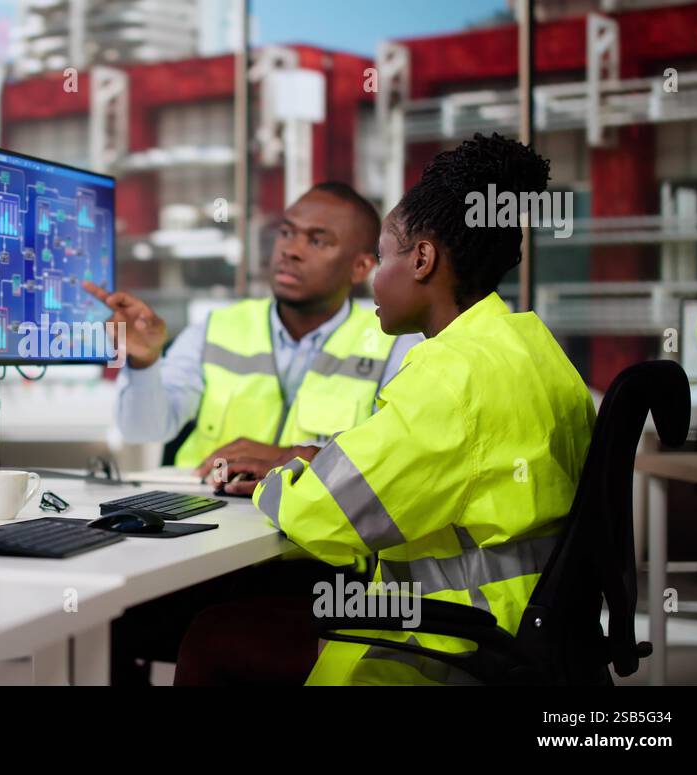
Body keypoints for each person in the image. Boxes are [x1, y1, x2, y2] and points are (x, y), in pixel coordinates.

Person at [176, 133, 597, 685]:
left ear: (422, 258)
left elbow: (323, 518)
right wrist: (319, 455)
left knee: (216, 635)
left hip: (444, 649)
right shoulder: (532, 348)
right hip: (530, 636)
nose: (374, 277)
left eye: (384, 255)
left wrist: (280, 476)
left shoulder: (448, 374)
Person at [84, 182, 422, 484]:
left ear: (360, 267)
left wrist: (287, 459)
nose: (291, 250)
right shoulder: (215, 328)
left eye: (318, 241)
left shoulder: (394, 343)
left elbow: (394, 460)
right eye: (287, 233)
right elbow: (143, 429)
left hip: (314, 540)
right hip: (205, 519)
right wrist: (144, 362)